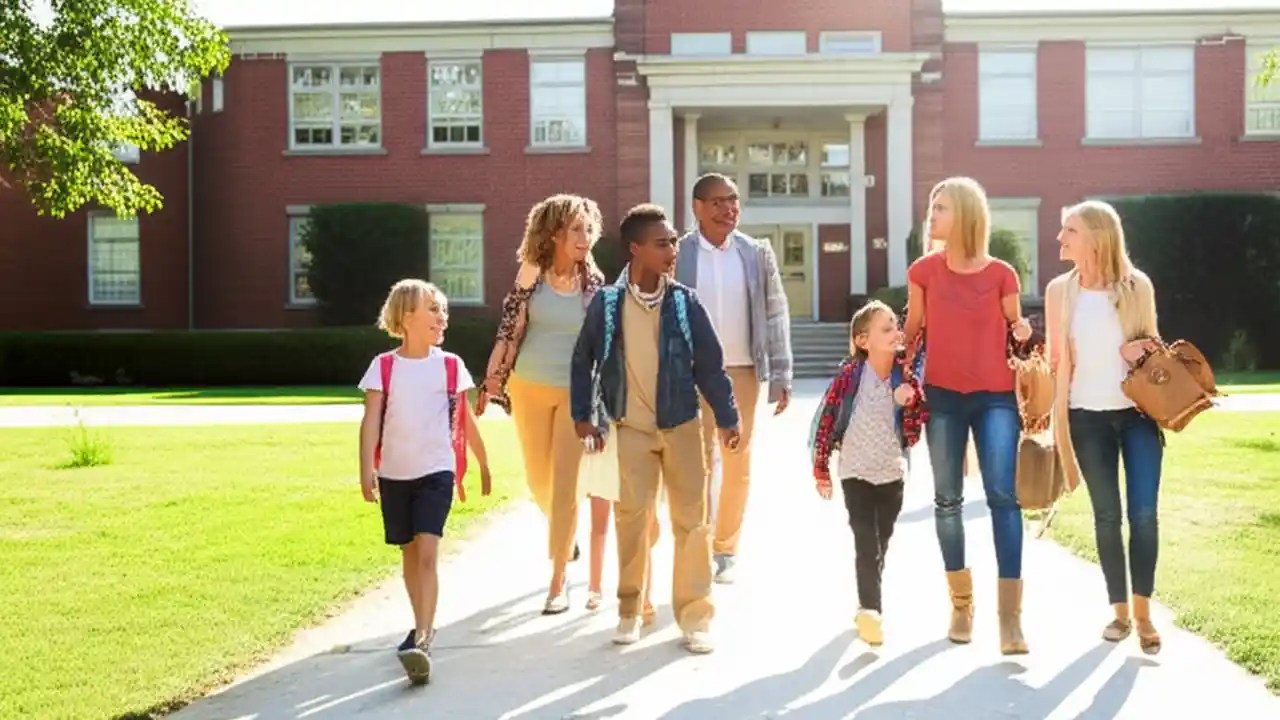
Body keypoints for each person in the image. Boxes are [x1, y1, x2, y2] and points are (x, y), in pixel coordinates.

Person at [571, 203, 741, 654]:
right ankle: (630, 610)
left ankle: (695, 616)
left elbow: (711, 366)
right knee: (633, 521)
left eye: (672, 242)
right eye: (662, 243)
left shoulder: (684, 303)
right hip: (630, 429)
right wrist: (580, 415)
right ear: (636, 249)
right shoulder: (608, 305)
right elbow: (582, 358)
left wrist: (727, 418)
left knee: (692, 523)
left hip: (682, 425)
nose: (672, 251)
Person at [903, 176, 1033, 655]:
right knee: (947, 501)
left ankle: (1010, 618)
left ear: (965, 214)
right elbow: (912, 333)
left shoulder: (1002, 274)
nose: (931, 216)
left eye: (941, 208)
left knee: (1003, 497)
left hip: (996, 396)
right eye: (931, 207)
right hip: (944, 397)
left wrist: (1022, 331)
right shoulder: (923, 272)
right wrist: (883, 367)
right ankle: (961, 605)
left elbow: (1017, 340)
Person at [474, 194, 615, 614]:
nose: (584, 237)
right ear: (554, 233)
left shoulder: (595, 282)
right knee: (539, 480)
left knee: (568, 482)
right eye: (576, 229)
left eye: (589, 229)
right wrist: (492, 379)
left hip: (575, 392)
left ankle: (557, 582)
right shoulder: (531, 274)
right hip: (529, 385)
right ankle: (563, 531)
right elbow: (508, 327)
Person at [357, 279, 492, 685]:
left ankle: (423, 638)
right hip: (396, 474)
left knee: (429, 551)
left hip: (437, 470)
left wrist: (483, 464)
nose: (441, 316)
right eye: (432, 308)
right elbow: (371, 422)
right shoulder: (383, 366)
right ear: (406, 316)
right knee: (410, 554)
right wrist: (366, 469)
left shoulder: (450, 365)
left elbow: (466, 419)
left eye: (443, 310)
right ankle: (418, 627)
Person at [1045, 200, 1164, 655]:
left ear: (1096, 237)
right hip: (1086, 418)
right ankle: (1119, 613)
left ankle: (1144, 614)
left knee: (1144, 516)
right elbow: (1058, 362)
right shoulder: (1061, 291)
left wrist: (1143, 351)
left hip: (1137, 416)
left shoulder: (1137, 287)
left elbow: (1153, 352)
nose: (1060, 239)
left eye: (1069, 231)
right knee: (1107, 518)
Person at [674, 172, 794, 584]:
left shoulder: (756, 253)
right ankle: (696, 542)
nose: (729, 209)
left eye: (734, 200)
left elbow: (776, 313)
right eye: (719, 202)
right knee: (698, 463)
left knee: (737, 460)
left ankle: (725, 549)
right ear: (698, 208)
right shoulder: (677, 253)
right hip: (689, 373)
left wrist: (781, 372)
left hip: (742, 369)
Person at [809, 300, 926, 647]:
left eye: (896, 327)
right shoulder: (850, 376)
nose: (895, 333)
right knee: (865, 539)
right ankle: (871, 609)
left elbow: (915, 432)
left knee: (881, 542)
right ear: (863, 340)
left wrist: (911, 401)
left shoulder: (904, 377)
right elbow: (828, 419)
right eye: (886, 329)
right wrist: (821, 469)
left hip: (891, 472)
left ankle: (867, 601)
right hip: (855, 471)